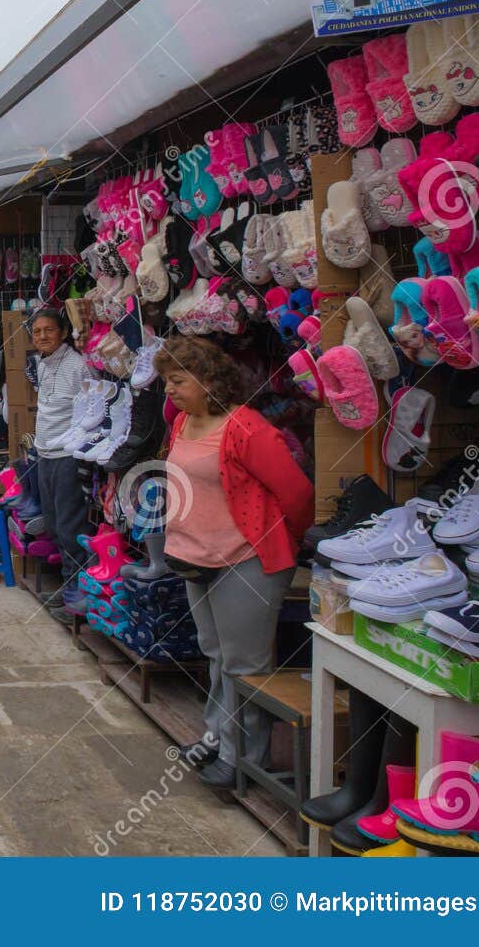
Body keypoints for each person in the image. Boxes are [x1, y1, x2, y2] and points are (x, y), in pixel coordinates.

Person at [156, 336, 313, 790]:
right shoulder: (183, 421)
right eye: (167, 381)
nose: (169, 389)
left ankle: (241, 758)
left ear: (208, 381)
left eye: (178, 380)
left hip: (246, 559)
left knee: (244, 664)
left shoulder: (246, 428)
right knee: (215, 653)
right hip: (195, 557)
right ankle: (217, 738)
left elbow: (298, 493)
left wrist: (286, 538)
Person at [30, 308, 93, 621]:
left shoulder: (78, 365)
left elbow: (93, 409)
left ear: (63, 332)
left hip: (67, 456)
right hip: (45, 454)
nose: (42, 336)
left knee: (70, 529)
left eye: (49, 330)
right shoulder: (41, 364)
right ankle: (68, 588)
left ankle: (79, 599)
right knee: (54, 526)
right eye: (37, 331)